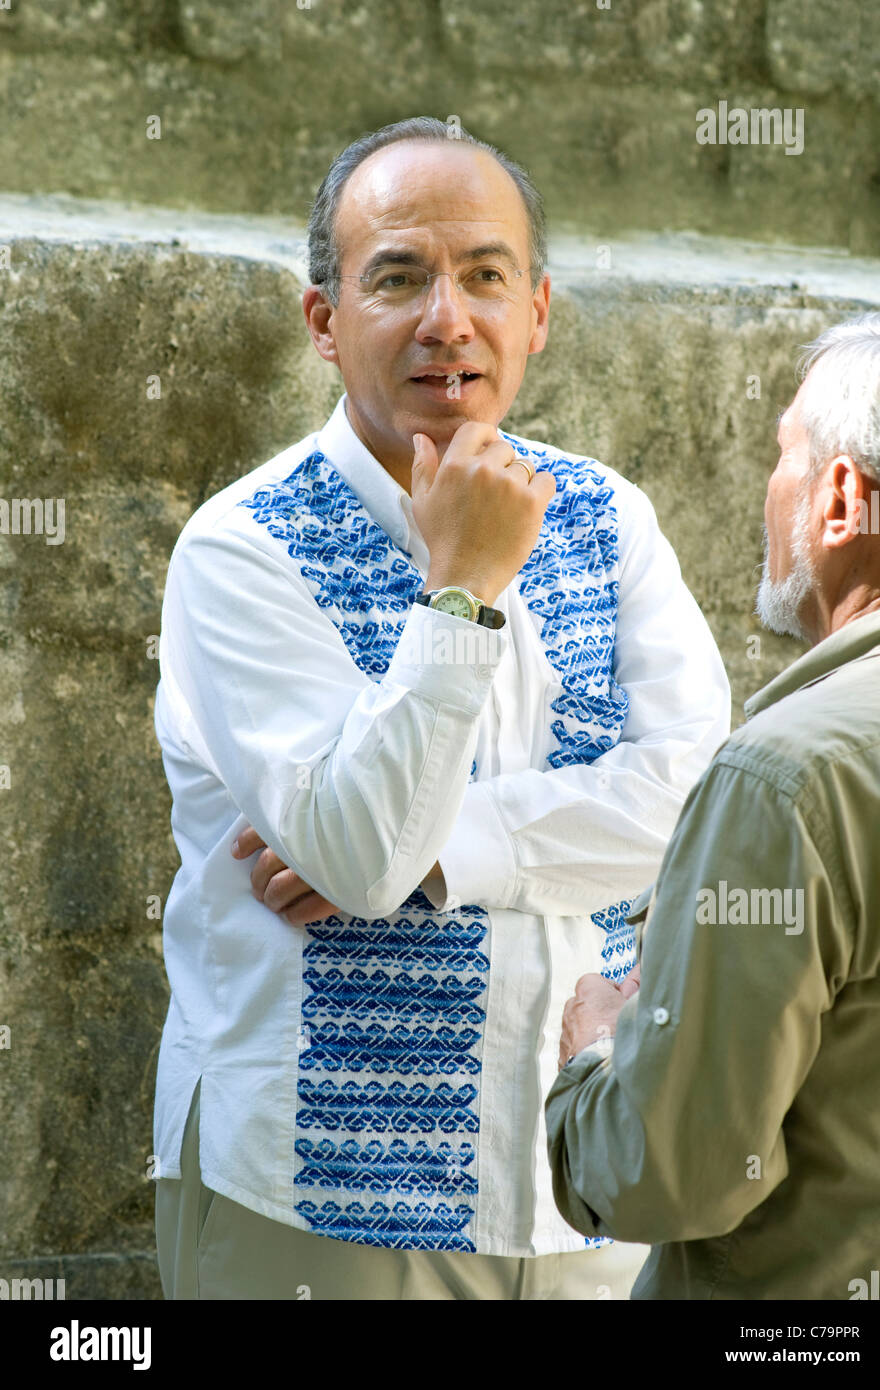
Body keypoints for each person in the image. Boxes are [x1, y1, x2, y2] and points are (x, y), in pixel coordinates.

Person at [152, 116, 730, 1301]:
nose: (446, 319)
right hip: (325, 1200)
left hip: (579, 1184)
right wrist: (461, 588)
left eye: (485, 277)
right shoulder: (243, 548)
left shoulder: (607, 516)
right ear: (324, 320)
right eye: (398, 278)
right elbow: (359, 854)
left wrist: (442, 850)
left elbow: (690, 803)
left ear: (538, 311)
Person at [547, 310, 880, 1300]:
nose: (771, 485)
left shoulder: (787, 776)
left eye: (785, 453)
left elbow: (667, 1173)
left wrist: (598, 1052)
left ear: (842, 499)